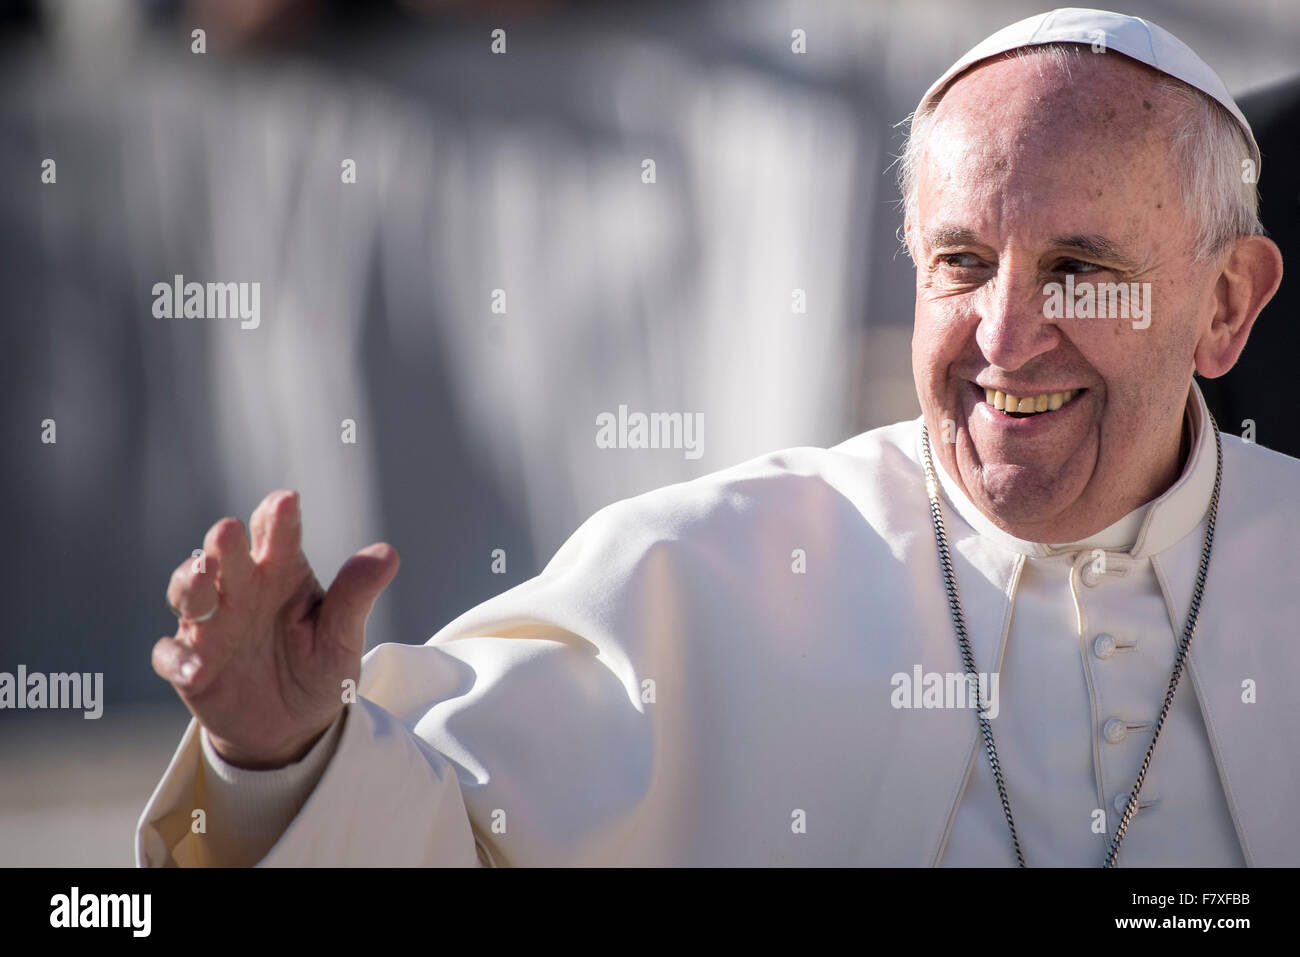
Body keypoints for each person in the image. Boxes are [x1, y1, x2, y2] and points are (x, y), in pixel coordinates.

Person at [137, 8, 1295, 867]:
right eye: (961, 263)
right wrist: (277, 761)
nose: (1004, 333)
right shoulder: (702, 572)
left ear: (1226, 306)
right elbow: (445, 838)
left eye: (1078, 270)